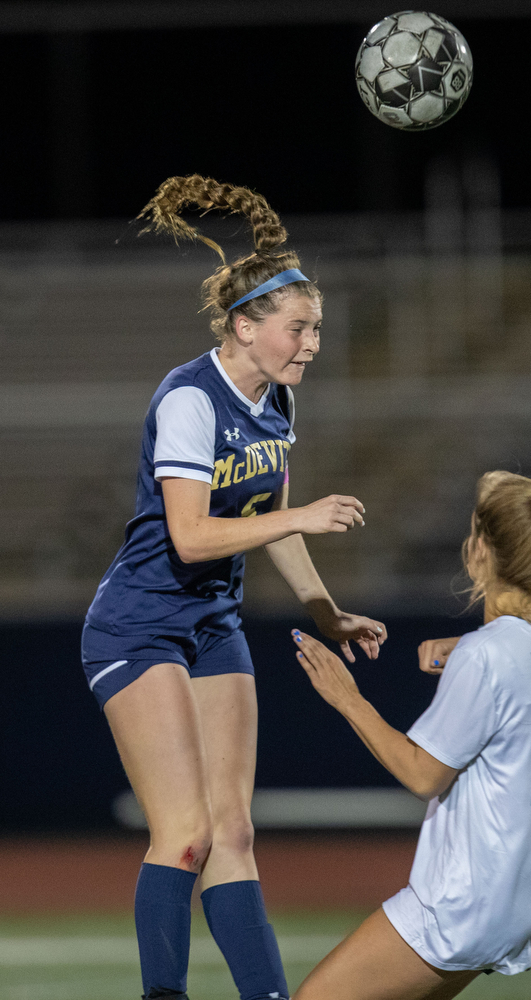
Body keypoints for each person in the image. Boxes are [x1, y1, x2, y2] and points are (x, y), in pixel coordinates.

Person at [80, 175, 386, 1000]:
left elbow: (273, 519)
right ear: (247, 327)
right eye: (299, 327)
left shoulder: (277, 397)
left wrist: (327, 612)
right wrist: (307, 515)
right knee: (182, 834)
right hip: (137, 626)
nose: (312, 342)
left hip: (211, 624)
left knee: (235, 833)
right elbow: (191, 535)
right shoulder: (189, 400)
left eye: (317, 327)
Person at [290, 470, 531, 1000]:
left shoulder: (485, 655)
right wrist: (459, 645)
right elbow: (514, 651)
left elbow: (422, 773)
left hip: (459, 904)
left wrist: (347, 698)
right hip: (518, 902)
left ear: (482, 554)